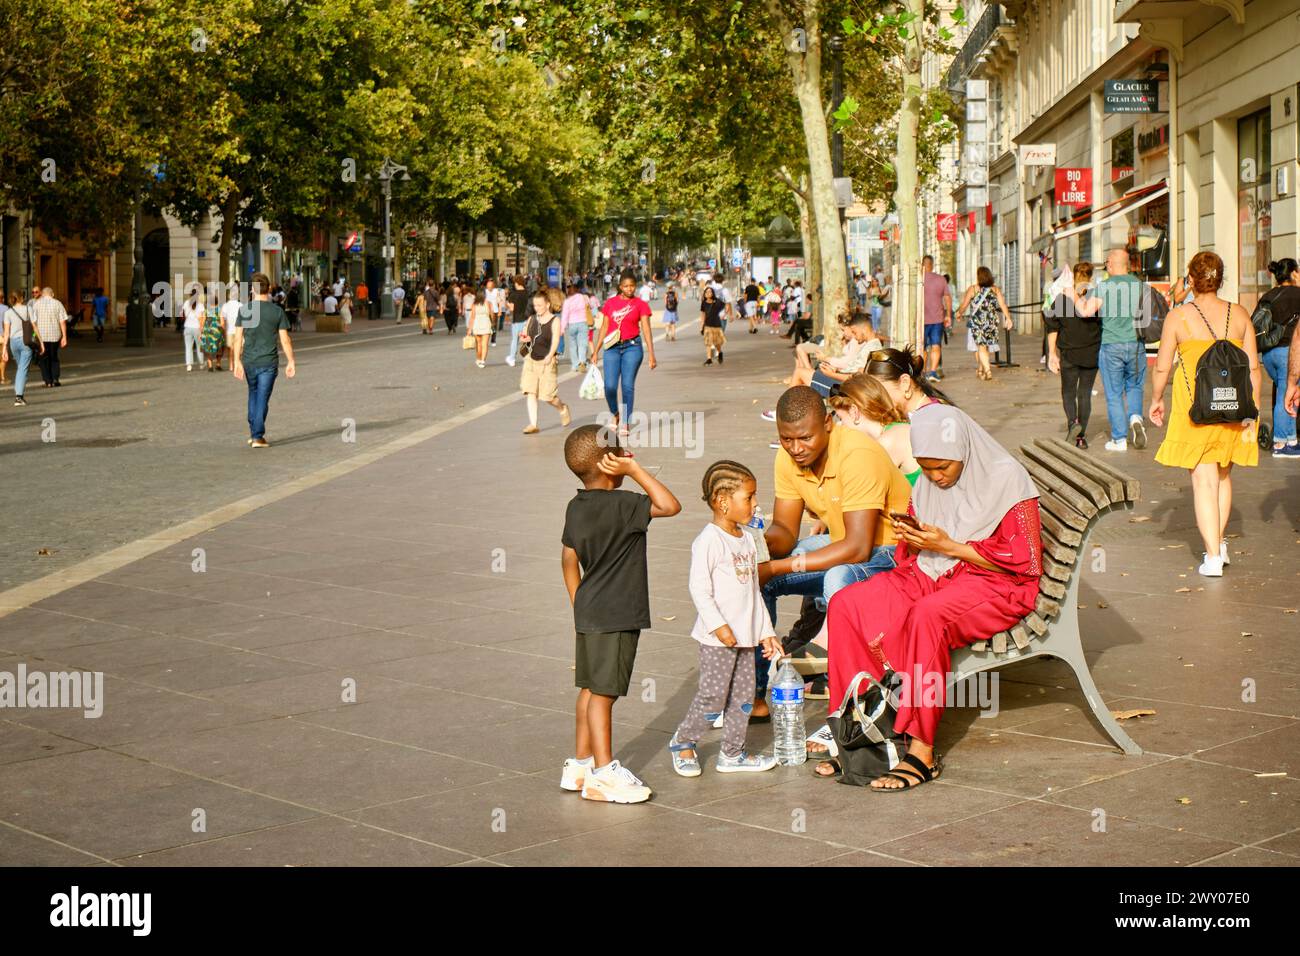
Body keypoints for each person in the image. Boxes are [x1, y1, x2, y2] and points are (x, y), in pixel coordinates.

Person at [818, 403, 1043, 784]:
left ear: (964, 452)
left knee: (928, 615)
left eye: (944, 467)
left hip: (996, 583)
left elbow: (1026, 562)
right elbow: (918, 548)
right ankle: (858, 736)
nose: (936, 476)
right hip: (931, 569)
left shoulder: (1007, 479)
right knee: (845, 604)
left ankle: (921, 750)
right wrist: (914, 535)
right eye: (927, 467)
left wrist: (952, 547)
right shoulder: (927, 479)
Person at [757, 386, 913, 716]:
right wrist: (753, 547)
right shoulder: (787, 458)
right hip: (844, 544)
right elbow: (784, 532)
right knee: (759, 578)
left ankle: (851, 695)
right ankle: (755, 691)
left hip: (892, 551)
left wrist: (779, 567)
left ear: (828, 423)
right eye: (786, 439)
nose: (796, 448)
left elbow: (857, 548)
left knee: (837, 578)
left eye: (804, 438)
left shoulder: (858, 454)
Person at [560, 424, 682, 803]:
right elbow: (670, 506)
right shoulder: (624, 504)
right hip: (616, 615)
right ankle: (603, 771)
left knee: (589, 689)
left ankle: (579, 765)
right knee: (604, 695)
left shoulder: (575, 505)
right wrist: (636, 472)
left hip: (590, 609)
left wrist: (578, 602)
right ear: (609, 462)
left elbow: (568, 559)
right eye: (622, 451)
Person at [1149, 252, 1261, 577]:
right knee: (1223, 476)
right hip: (1233, 407)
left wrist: (1157, 398)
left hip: (1194, 408)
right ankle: (1220, 544)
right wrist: (1252, 411)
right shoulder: (1239, 314)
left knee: (1203, 481)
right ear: (1220, 278)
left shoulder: (1179, 317)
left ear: (1191, 279)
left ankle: (1212, 556)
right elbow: (1253, 368)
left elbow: (1163, 365)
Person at [668, 461, 783, 777]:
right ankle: (683, 741)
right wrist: (719, 626)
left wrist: (766, 632)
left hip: (745, 638)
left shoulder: (746, 538)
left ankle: (732, 753)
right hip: (718, 640)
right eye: (749, 497)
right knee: (713, 698)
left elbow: (753, 593)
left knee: (744, 698)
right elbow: (699, 589)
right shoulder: (709, 540)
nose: (756, 503)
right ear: (722, 502)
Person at [231, 273, 296, 448]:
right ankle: (258, 436)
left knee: (254, 393)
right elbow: (285, 339)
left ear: (252, 289)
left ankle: (254, 431)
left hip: (249, 361)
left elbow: (238, 339)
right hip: (268, 362)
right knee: (262, 397)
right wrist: (291, 361)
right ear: (268, 290)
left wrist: (236, 361)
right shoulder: (277, 311)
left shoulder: (244, 310)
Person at [1096, 246, 1149, 452]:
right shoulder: (1140, 286)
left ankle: (1119, 439)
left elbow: (1086, 310)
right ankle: (1135, 417)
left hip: (1112, 344)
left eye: (1107, 262)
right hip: (1136, 344)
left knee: (1114, 393)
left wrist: (1072, 295)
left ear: (1111, 264)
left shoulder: (1104, 286)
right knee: (1135, 386)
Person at [1045, 262, 1103, 448]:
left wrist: (1052, 353)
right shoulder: (1096, 298)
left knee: (1068, 392)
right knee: (1084, 394)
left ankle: (1073, 423)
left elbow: (1052, 327)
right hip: (1091, 353)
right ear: (1090, 277)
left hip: (1069, 353)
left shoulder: (1062, 299)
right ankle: (1081, 438)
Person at [593, 269, 657, 435]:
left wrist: (651, 354)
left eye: (632, 286)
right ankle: (615, 414)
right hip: (612, 348)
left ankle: (626, 422)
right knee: (610, 387)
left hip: (632, 347)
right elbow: (604, 327)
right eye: (626, 286)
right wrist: (595, 351)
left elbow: (646, 329)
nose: (629, 289)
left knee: (627, 386)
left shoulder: (641, 304)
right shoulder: (610, 303)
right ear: (620, 287)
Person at [827, 374, 921, 485]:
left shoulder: (887, 442)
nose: (840, 425)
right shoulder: (897, 428)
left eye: (841, 418)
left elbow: (861, 488)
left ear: (854, 412)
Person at [1255, 258, 1300, 457]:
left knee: (1285, 391)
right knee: (1287, 393)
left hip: (1269, 354)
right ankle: (1283, 443)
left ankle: (1288, 437)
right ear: (1294, 273)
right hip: (1288, 353)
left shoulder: (1268, 295)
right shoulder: (1298, 294)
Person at [520, 287, 572, 434]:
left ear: (547, 304)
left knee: (548, 396)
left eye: (540, 306)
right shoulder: (531, 319)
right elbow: (527, 335)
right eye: (535, 306)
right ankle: (533, 424)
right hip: (531, 360)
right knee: (531, 392)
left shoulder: (555, 321)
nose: (537, 309)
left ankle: (562, 408)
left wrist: (550, 355)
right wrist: (525, 337)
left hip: (547, 362)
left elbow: (555, 339)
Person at [954, 266, 1013, 381]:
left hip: (978, 322)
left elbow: (964, 305)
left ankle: (988, 370)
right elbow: (1003, 305)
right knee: (985, 346)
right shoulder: (995, 290)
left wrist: (959, 313)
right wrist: (1008, 318)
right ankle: (982, 368)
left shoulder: (973, 289)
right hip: (991, 322)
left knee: (981, 347)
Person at [921, 255, 952, 381]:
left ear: (922, 265)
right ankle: (933, 372)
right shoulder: (941, 279)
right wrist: (948, 315)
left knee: (922, 347)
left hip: (921, 320)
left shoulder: (918, 279)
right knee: (935, 345)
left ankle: (922, 372)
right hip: (937, 319)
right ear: (932, 265)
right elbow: (947, 298)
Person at [30, 288, 68, 388]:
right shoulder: (58, 303)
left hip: (41, 336)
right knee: (54, 357)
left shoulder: (36, 304)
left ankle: (48, 381)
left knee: (43, 358)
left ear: (42, 294)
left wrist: (33, 335)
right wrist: (64, 336)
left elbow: (33, 323)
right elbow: (62, 321)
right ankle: (55, 378)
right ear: (53, 294)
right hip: (55, 335)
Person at [2, 291, 34, 406]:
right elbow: (34, 326)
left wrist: (4, 349)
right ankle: (18, 397)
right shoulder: (28, 309)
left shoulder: (8, 312)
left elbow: (6, 332)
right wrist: (37, 339)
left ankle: (20, 395)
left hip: (13, 343)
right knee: (22, 369)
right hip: (26, 342)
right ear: (22, 298)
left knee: (21, 367)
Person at [561, 283, 590, 371]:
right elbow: (589, 306)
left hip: (572, 324)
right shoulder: (583, 297)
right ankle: (582, 362)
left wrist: (562, 328)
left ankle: (575, 364)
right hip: (583, 322)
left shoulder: (567, 301)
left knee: (573, 345)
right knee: (582, 344)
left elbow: (565, 315)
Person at [506, 274, 530, 367]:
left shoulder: (513, 294)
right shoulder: (527, 293)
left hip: (517, 319)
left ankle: (512, 358)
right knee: (526, 339)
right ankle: (526, 357)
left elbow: (512, 308)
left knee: (515, 340)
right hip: (527, 318)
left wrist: (506, 303)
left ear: (516, 283)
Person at [700, 285, 726, 366]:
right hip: (707, 325)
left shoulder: (717, 302)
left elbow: (725, 305)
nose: (708, 293)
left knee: (717, 343)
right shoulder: (703, 303)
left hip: (716, 325)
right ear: (704, 294)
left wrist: (724, 314)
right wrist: (701, 326)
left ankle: (720, 352)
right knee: (708, 343)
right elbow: (703, 314)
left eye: (710, 292)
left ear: (713, 293)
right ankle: (709, 359)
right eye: (706, 292)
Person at [180, 289, 205, 372]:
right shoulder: (200, 305)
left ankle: (189, 365)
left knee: (188, 347)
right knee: (199, 347)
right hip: (197, 328)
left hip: (187, 327)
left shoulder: (186, 303)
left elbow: (182, 314)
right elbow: (202, 318)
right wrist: (202, 329)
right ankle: (201, 363)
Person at [467, 287, 492, 368]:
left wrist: (469, 329)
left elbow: (472, 317)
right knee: (485, 344)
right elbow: (491, 314)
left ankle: (479, 358)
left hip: (477, 324)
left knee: (479, 344)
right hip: (486, 324)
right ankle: (482, 361)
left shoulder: (474, 304)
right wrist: (493, 323)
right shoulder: (488, 303)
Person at [200, 301, 226, 371]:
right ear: (217, 302)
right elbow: (222, 323)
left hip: (207, 332)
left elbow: (202, 323)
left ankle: (210, 365)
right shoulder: (220, 310)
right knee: (220, 348)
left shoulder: (205, 311)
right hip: (217, 332)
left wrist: (201, 333)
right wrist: (224, 331)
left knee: (208, 348)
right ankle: (218, 364)